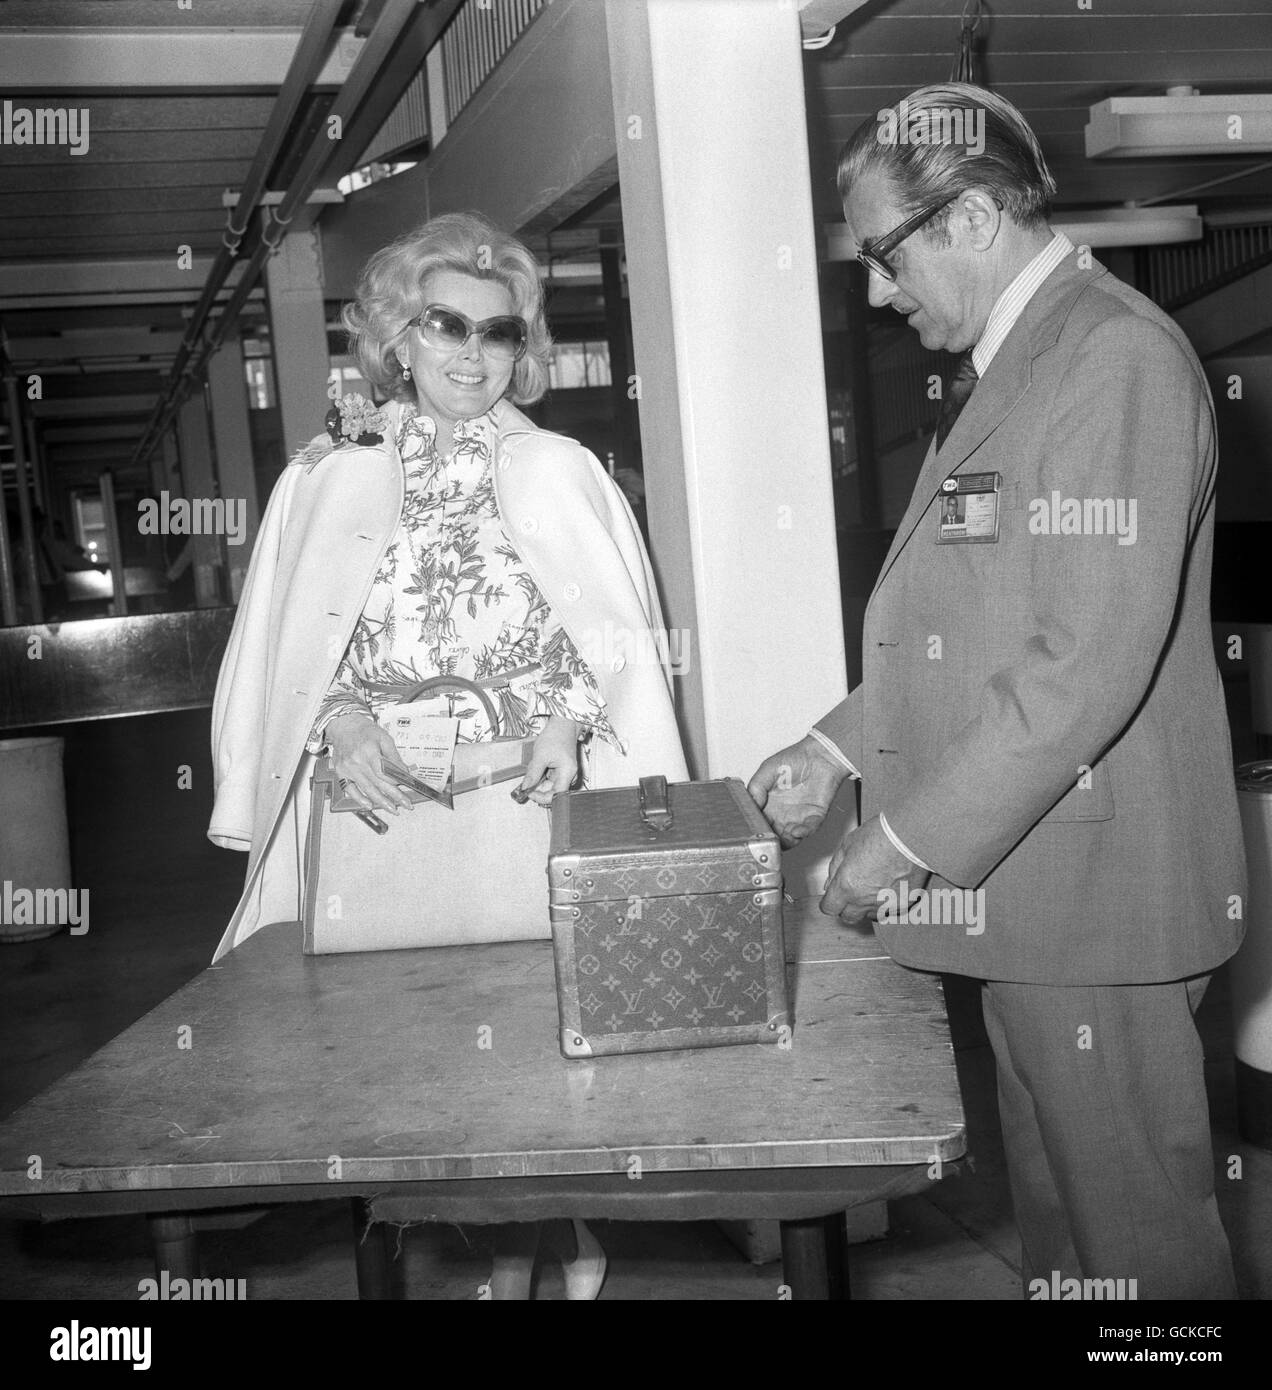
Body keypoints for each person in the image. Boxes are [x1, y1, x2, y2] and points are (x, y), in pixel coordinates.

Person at [749, 83, 1246, 1300]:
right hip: (1038, 899)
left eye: (883, 254)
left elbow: (1082, 664)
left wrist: (901, 844)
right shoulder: (1023, 360)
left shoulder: (1112, 356)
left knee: (1140, 1252)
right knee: (1072, 1247)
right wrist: (839, 746)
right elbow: (980, 637)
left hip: (1097, 909)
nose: (875, 290)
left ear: (971, 218)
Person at [208, 210, 687, 1298]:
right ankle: (436, 1251)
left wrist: (568, 712)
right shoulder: (327, 474)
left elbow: (611, 637)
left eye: (500, 332)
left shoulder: (560, 468)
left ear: (525, 346)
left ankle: (538, 1243)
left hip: (523, 801)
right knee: (386, 1057)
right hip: (379, 807)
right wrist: (336, 720)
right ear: (397, 335)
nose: (473, 356)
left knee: (532, 1043)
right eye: (445, 326)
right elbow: (288, 645)